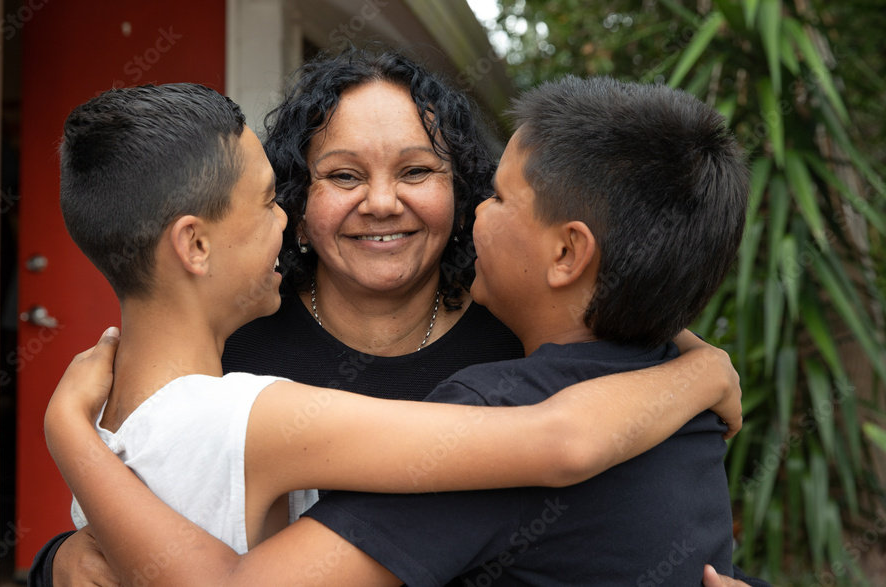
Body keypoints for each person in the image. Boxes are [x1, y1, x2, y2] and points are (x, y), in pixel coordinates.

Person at [43, 76, 763, 586]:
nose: (382, 202)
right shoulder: (239, 357)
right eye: (340, 176)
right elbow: (566, 442)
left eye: (421, 170)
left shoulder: (509, 358)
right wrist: (58, 559)